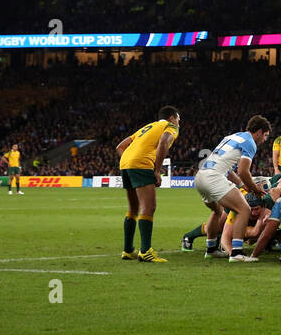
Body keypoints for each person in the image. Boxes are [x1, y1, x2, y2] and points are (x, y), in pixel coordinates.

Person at [194, 116, 272, 262]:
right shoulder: (250, 143)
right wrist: (253, 188)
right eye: (266, 135)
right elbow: (243, 171)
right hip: (214, 178)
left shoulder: (232, 136)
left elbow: (229, 171)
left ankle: (211, 249)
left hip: (200, 176)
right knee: (244, 209)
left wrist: (243, 186)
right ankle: (237, 253)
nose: (265, 140)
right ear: (259, 132)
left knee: (217, 211)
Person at [115, 106, 180, 263]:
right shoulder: (171, 127)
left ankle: (128, 250)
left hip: (125, 163)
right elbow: (164, 142)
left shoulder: (147, 127)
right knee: (149, 207)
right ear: (172, 118)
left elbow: (120, 147)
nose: (179, 122)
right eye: (178, 119)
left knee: (133, 208)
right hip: (142, 164)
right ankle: (145, 251)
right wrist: (157, 171)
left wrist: (131, 160)